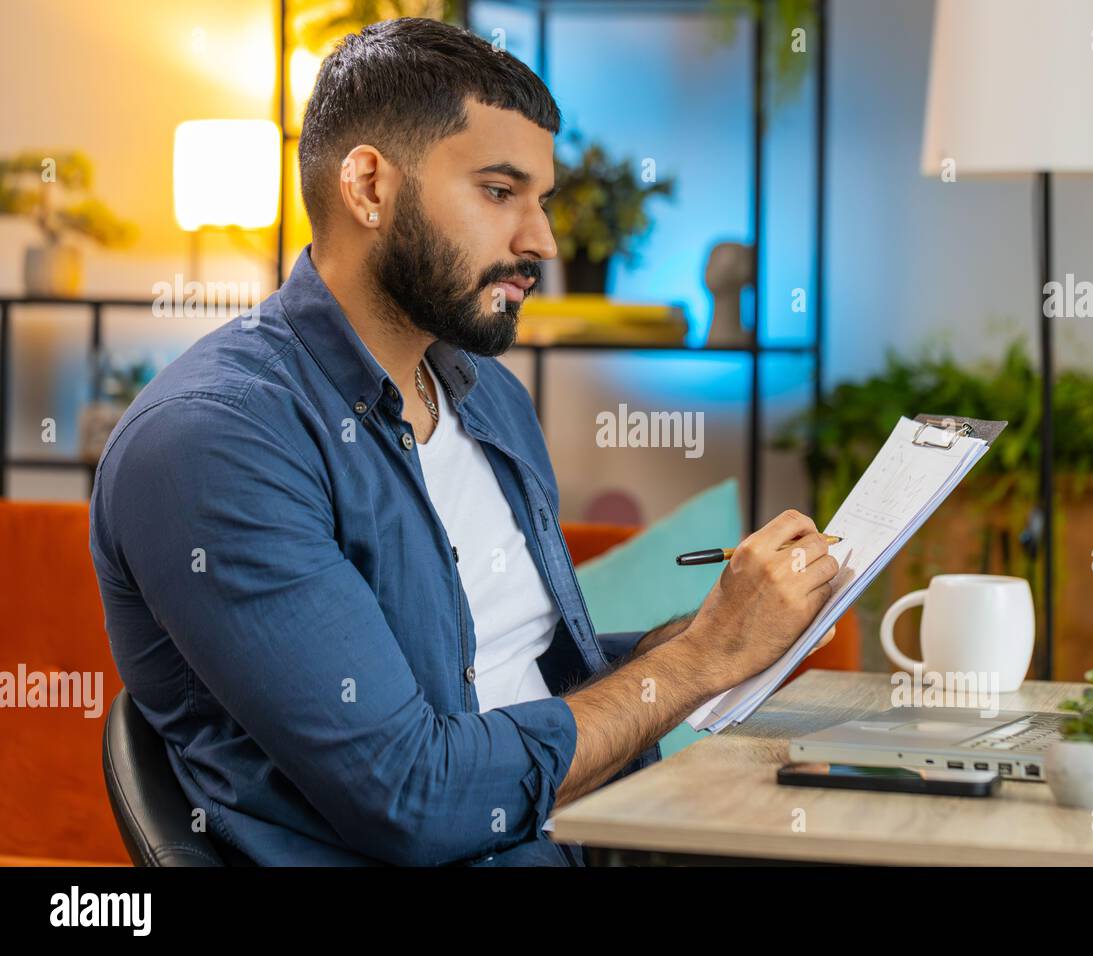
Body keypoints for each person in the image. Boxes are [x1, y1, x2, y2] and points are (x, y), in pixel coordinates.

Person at [89, 17, 838, 866]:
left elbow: (535, 683)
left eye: (542, 199)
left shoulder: (489, 400)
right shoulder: (214, 443)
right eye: (497, 191)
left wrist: (726, 630)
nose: (542, 242)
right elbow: (414, 796)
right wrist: (702, 660)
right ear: (368, 186)